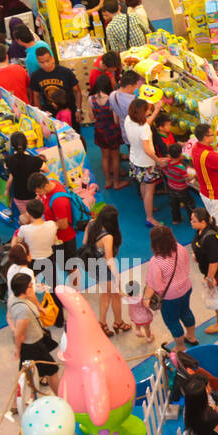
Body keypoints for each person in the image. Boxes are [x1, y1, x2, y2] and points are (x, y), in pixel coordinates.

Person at [144, 225, 197, 350]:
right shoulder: (180, 248)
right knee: (186, 312)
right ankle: (192, 336)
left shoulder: (156, 261)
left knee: (172, 321)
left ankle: (180, 346)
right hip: (186, 287)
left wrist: (146, 299)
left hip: (170, 297)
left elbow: (154, 284)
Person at [7, 272, 59, 392]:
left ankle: (18, 401)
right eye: (30, 286)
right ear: (24, 290)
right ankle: (60, 397)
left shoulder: (13, 298)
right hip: (33, 345)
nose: (33, 287)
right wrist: (18, 350)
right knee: (52, 370)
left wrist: (40, 308)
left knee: (25, 374)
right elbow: (20, 334)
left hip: (33, 342)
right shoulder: (23, 310)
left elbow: (9, 317)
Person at [190, 207, 218, 334]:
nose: (191, 222)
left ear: (203, 222)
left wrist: (210, 278)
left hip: (217, 272)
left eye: (194, 221)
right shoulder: (202, 231)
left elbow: (213, 262)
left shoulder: (210, 238)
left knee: (216, 295)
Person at [82, 203, 125, 334]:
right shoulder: (108, 236)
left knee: (107, 293)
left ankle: (107, 323)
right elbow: (109, 260)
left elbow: (84, 242)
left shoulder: (91, 223)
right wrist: (117, 279)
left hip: (91, 264)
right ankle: (115, 323)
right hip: (103, 267)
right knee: (114, 294)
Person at [122, 98, 159, 227]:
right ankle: (149, 217)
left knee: (143, 185)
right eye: (147, 110)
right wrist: (158, 160)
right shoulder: (144, 128)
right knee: (149, 190)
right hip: (146, 162)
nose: (149, 111)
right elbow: (147, 149)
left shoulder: (128, 119)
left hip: (134, 158)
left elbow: (146, 123)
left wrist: (156, 111)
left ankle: (147, 207)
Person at [29, 46, 80, 117]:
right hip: (50, 112)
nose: (45, 65)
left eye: (47, 61)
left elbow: (77, 91)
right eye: (42, 62)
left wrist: (78, 110)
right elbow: (36, 96)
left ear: (52, 59)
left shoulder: (66, 72)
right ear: (38, 62)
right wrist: (39, 114)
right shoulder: (36, 76)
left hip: (69, 111)